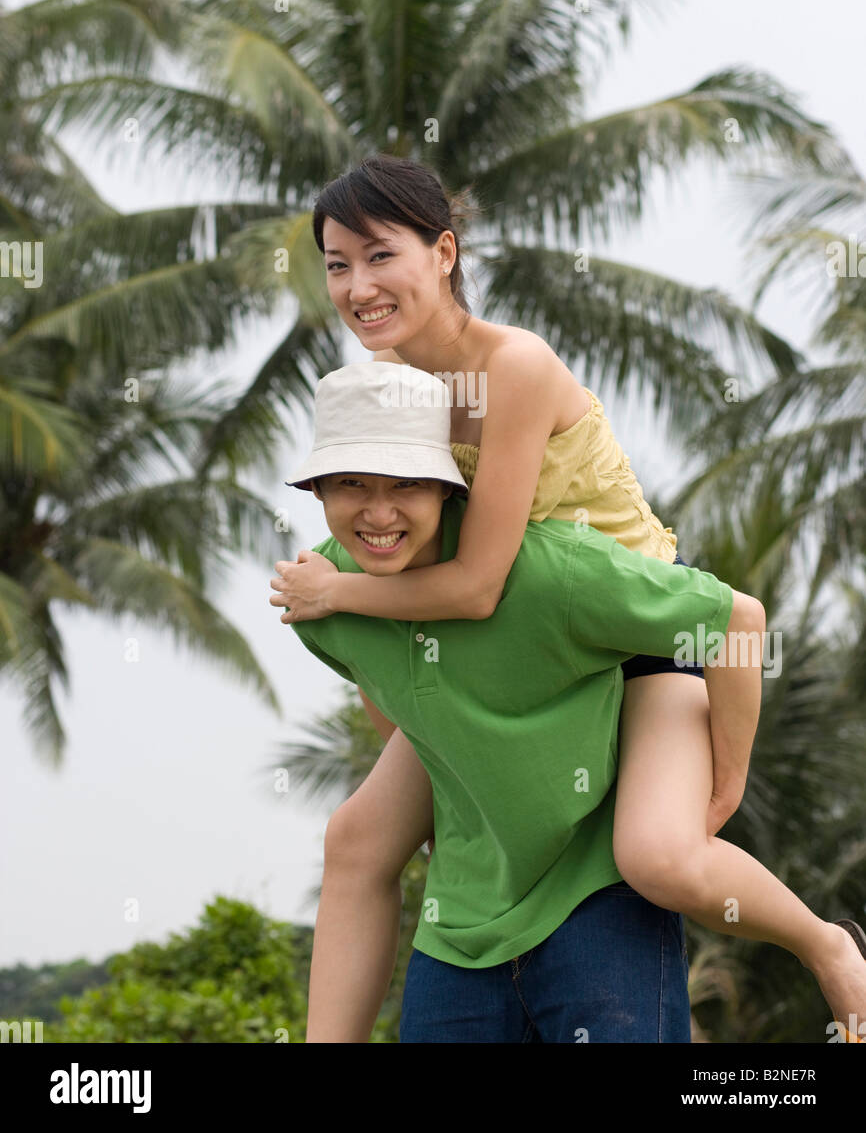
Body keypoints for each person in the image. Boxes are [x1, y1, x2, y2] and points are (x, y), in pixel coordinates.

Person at [270, 156, 866, 1043]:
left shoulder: (511, 366)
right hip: (517, 651)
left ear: (443, 252)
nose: (357, 286)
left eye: (379, 256)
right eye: (336, 264)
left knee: (661, 857)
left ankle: (828, 948)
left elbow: (478, 585)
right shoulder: (400, 396)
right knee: (356, 839)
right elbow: (405, 662)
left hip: (631, 645)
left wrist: (724, 776)